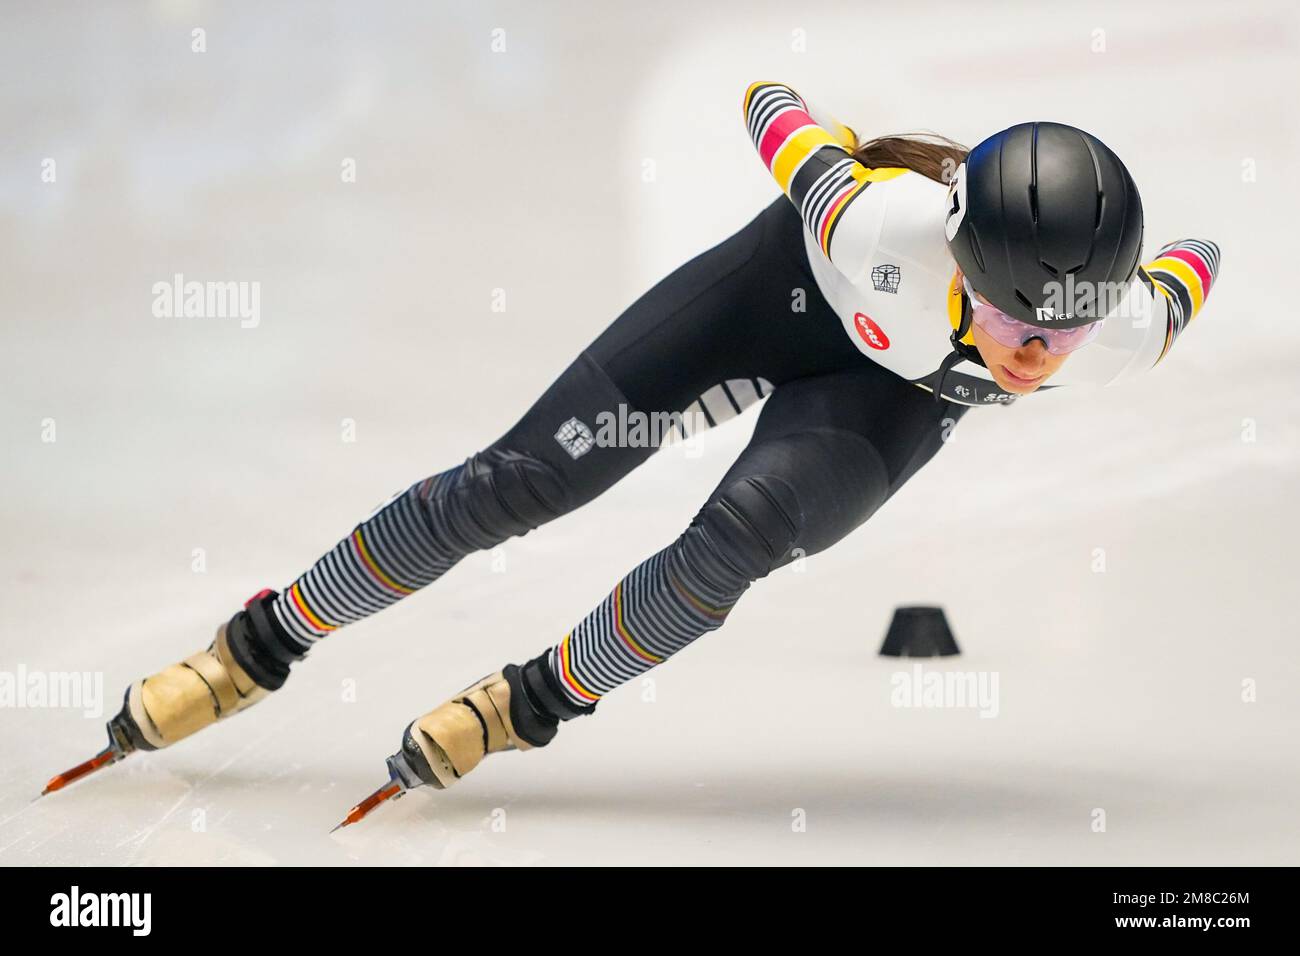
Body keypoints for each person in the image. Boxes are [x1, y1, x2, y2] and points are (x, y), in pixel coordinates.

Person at [48, 81, 1221, 815]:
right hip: (780, 295)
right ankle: (259, 642)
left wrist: (1167, 272)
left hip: (885, 396)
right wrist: (818, 130)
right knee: (524, 481)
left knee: (742, 537)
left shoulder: (1112, 325)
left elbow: (1186, 274)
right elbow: (775, 112)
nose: (1036, 355)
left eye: (1062, 333)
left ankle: (530, 702)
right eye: (1018, 322)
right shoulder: (869, 223)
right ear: (958, 258)